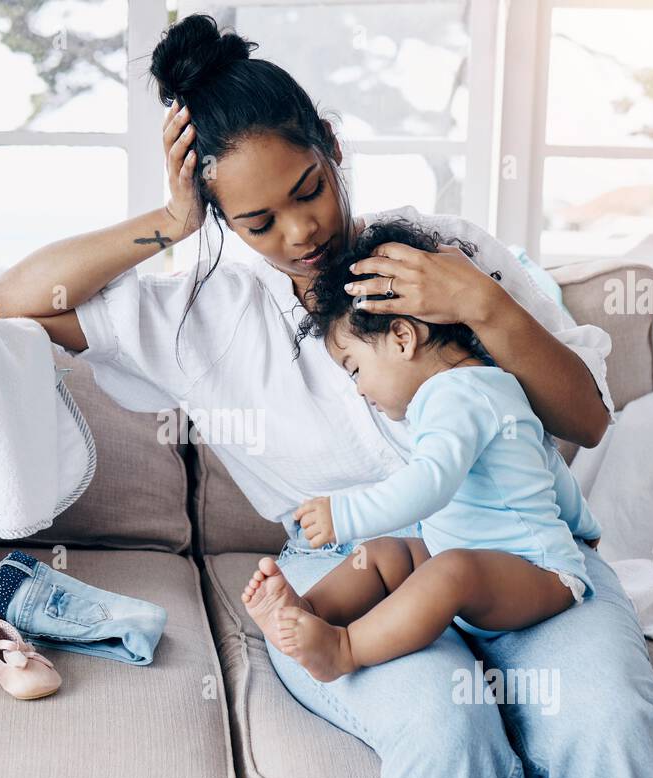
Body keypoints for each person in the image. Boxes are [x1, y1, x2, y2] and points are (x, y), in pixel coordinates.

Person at [0, 13, 653, 778]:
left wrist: (483, 305)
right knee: (445, 734)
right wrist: (172, 222)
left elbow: (587, 416)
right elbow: (16, 301)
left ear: (331, 147)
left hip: (522, 547)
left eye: (307, 189)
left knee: (614, 727)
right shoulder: (195, 316)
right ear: (222, 217)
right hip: (353, 571)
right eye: (256, 221)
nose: (300, 233)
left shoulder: (447, 254)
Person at [241, 217, 602, 684]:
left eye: (354, 368)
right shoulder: (486, 386)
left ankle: (344, 648)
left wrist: (345, 514)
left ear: (402, 338)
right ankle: (307, 612)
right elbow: (548, 466)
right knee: (384, 556)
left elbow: (429, 484)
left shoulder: (459, 395)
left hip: (539, 576)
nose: (358, 389)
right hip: (481, 565)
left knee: (450, 570)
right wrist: (584, 523)